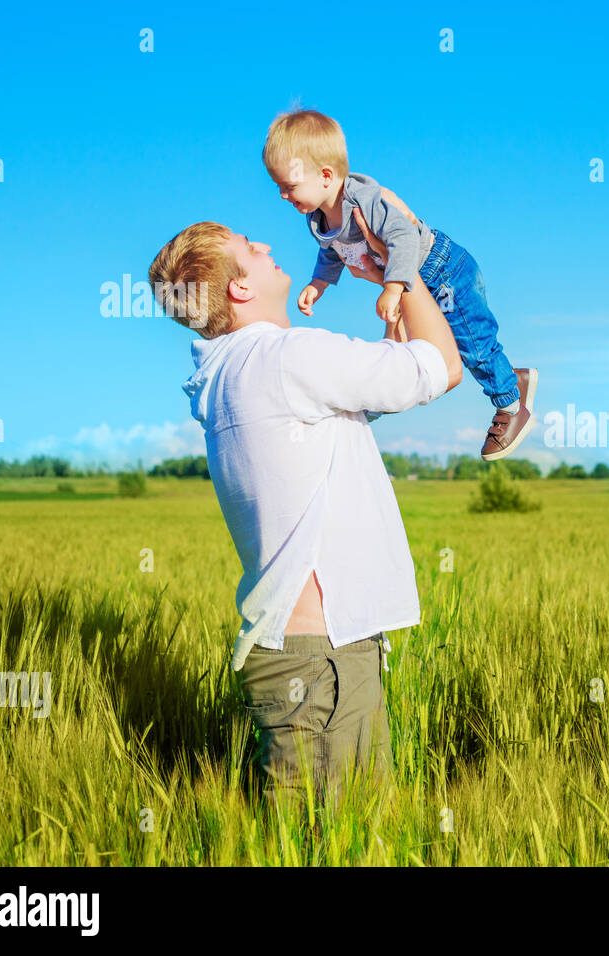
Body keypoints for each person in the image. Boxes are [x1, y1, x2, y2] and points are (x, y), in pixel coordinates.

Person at [147, 217, 462, 809]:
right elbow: (441, 369)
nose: (265, 244)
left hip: (300, 654)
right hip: (323, 662)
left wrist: (393, 317)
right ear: (239, 289)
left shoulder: (229, 376)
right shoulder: (287, 358)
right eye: (249, 246)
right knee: (341, 841)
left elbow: (368, 395)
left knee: (317, 840)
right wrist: (404, 266)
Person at [263, 108, 538, 461]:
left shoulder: (363, 200)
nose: (283, 196)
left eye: (289, 186)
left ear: (326, 176)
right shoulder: (317, 218)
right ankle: (513, 380)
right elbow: (331, 253)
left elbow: (403, 237)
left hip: (442, 271)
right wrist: (319, 283)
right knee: (411, 358)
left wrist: (393, 286)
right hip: (412, 284)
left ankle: (511, 407)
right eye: (279, 188)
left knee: (474, 345)